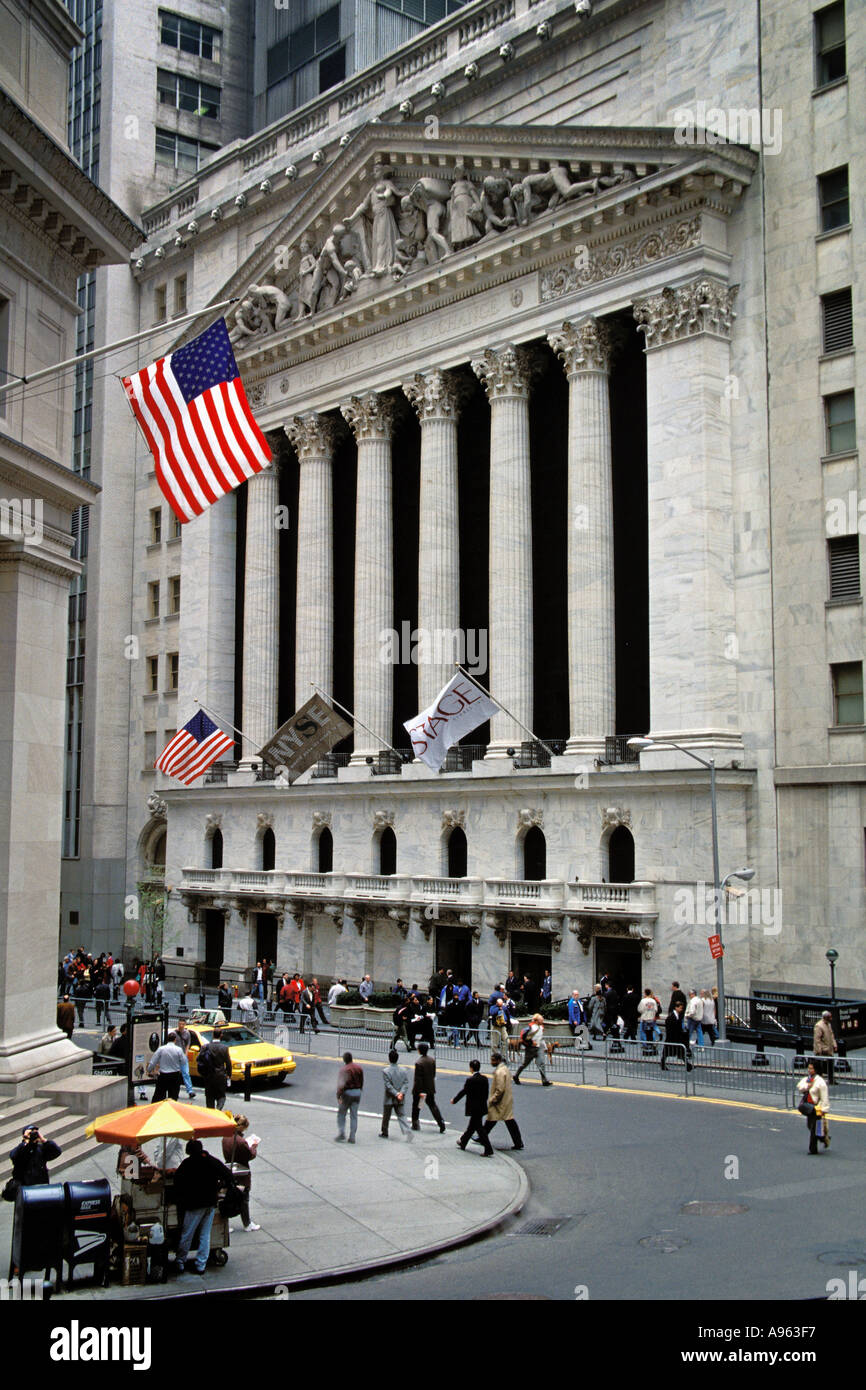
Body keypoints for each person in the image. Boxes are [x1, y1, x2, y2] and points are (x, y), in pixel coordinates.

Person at [173, 1138, 233, 1275]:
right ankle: (201, 1265)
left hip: (194, 1204)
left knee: (187, 1234)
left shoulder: (187, 1163)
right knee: (205, 1235)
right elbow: (227, 1174)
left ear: (189, 1151)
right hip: (210, 1203)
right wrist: (219, 1186)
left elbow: (177, 1181)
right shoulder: (211, 1160)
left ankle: (180, 1261)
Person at [221, 1114, 261, 1231]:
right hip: (241, 1170)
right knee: (244, 1197)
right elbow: (249, 1155)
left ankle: (225, 1223)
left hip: (229, 1167)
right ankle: (247, 1223)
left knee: (227, 1196)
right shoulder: (240, 1141)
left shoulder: (225, 1138)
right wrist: (253, 1147)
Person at [481, 1052, 524, 1151]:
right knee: (505, 1120)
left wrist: (493, 1099)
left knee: (492, 1119)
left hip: (500, 1101)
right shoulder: (504, 1069)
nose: (491, 1062)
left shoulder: (500, 1072)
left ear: (498, 1060)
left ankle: (482, 1136)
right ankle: (518, 1142)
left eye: (493, 1060)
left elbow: (500, 1089)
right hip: (506, 1100)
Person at [453, 1058, 494, 1156]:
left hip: (474, 1108)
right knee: (472, 1127)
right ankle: (463, 1142)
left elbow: (464, 1092)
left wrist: (455, 1100)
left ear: (471, 1068)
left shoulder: (470, 1080)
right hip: (481, 1106)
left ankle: (488, 1149)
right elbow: (486, 1093)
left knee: (479, 1129)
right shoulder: (484, 1079)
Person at [411, 1042, 446, 1133]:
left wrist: (418, 1091)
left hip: (420, 1089)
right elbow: (433, 1074)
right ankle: (441, 1122)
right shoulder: (432, 1060)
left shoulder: (419, 1063)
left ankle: (415, 1124)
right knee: (432, 1105)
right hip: (430, 1087)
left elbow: (418, 1079)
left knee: (416, 1106)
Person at [797, 1062, 831, 1154]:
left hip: (817, 1108)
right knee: (812, 1127)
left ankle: (813, 1150)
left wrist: (824, 1110)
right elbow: (800, 1087)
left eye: (811, 1068)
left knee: (813, 1129)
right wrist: (807, 1086)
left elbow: (824, 1097)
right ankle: (824, 1138)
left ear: (816, 1069)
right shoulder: (807, 1079)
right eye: (808, 1068)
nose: (809, 1070)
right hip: (808, 1107)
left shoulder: (820, 1082)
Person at [380, 1049, 413, 1140]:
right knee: (401, 1115)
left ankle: (384, 1132)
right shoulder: (403, 1070)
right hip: (400, 1098)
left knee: (386, 1116)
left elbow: (388, 1086)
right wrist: (401, 1093)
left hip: (389, 1098)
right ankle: (407, 1131)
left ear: (389, 1059)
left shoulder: (385, 1071)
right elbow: (406, 1083)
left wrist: (396, 1093)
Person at [514, 1013, 553, 1086]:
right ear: (536, 1020)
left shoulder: (541, 1027)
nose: (543, 1020)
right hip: (531, 1048)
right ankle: (516, 1076)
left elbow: (540, 1037)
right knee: (525, 1064)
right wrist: (531, 1042)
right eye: (541, 1019)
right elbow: (523, 1036)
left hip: (538, 1047)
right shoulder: (530, 1027)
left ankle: (544, 1080)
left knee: (541, 1063)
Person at [147, 1032, 187, 1101]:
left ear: (167, 1040)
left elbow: (153, 1061)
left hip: (163, 1076)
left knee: (159, 1096)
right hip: (175, 1075)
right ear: (175, 1040)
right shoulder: (179, 1050)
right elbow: (184, 1062)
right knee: (173, 1097)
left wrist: (149, 1069)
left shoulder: (161, 1049)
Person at [198, 1031, 231, 1110]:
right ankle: (218, 1110)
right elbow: (228, 1063)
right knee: (221, 1096)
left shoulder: (205, 1047)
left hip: (209, 1076)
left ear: (213, 1035)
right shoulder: (224, 1048)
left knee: (209, 1097)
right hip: (220, 1075)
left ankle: (211, 1115)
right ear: (221, 1035)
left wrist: (203, 1074)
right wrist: (229, 1074)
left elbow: (199, 1061)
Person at [335, 1051, 364, 1143]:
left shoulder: (344, 1070)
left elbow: (341, 1084)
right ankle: (352, 1136)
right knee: (354, 1115)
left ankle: (342, 1133)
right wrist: (360, 1089)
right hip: (357, 1093)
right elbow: (362, 1080)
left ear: (344, 1060)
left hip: (347, 1094)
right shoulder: (359, 1068)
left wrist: (339, 1095)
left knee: (342, 1113)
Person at [661, 1001, 693, 1072]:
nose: (681, 1010)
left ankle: (688, 1066)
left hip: (676, 1038)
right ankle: (663, 1064)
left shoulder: (677, 1016)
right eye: (680, 1008)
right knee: (667, 1052)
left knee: (680, 1052)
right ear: (676, 1007)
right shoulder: (671, 1017)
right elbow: (670, 1028)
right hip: (672, 1038)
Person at [813, 1011, 838, 1085]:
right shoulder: (819, 1026)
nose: (831, 1018)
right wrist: (819, 1050)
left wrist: (834, 1045)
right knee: (820, 1067)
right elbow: (817, 1039)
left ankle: (831, 1079)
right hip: (823, 1050)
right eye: (830, 1017)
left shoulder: (829, 1024)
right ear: (826, 1017)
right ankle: (819, 1081)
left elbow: (831, 1035)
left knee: (830, 1065)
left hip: (829, 1049)